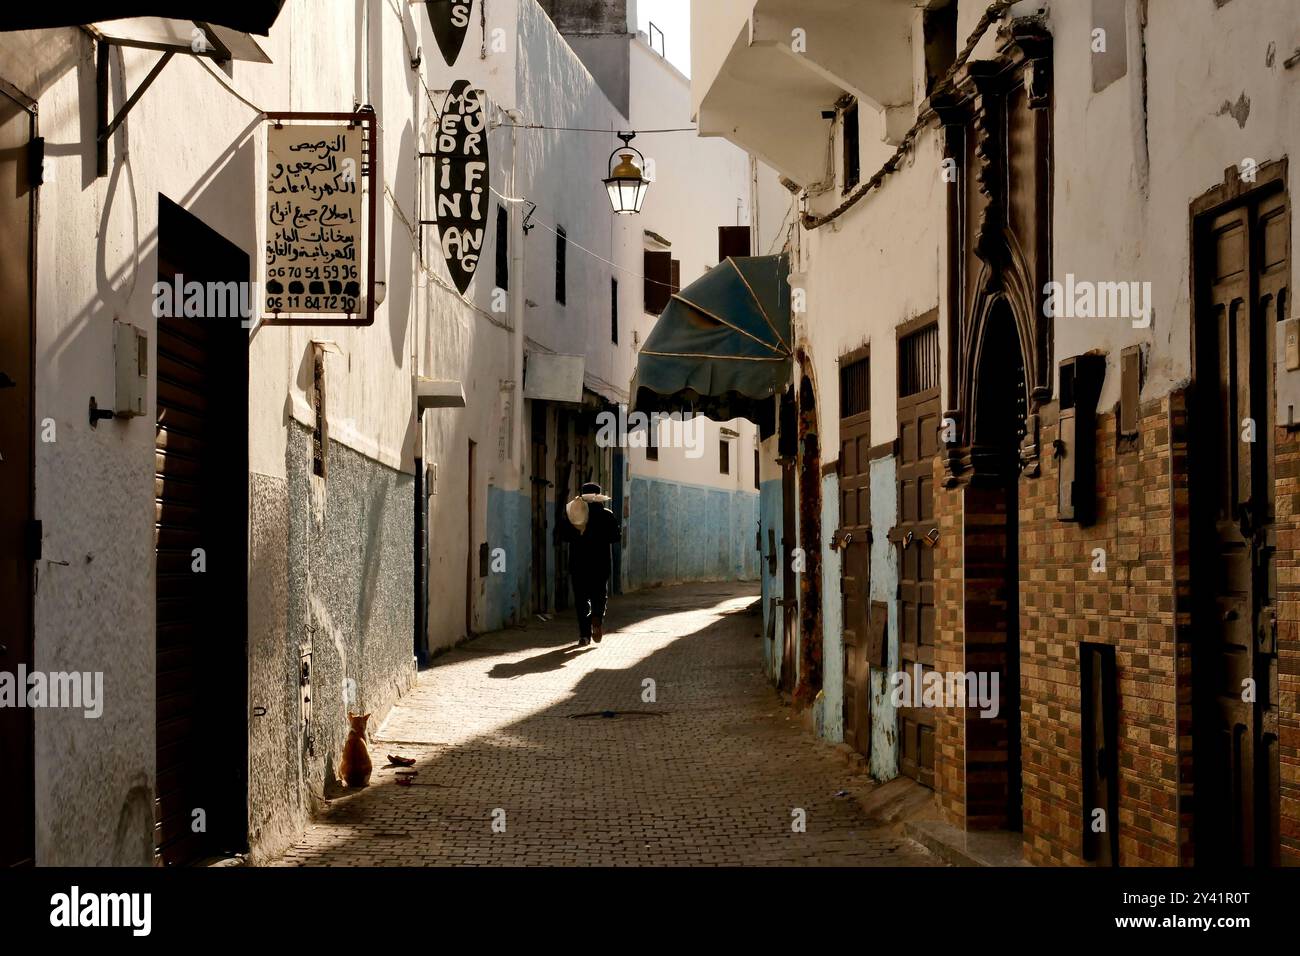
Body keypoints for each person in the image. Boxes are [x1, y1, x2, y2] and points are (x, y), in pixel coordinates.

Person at [558, 482, 621, 647]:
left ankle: (584, 636)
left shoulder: (574, 515)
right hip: (601, 563)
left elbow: (563, 536)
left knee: (581, 599)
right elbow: (616, 537)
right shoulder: (607, 515)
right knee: (599, 594)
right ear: (599, 496)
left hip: (578, 564)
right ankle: (597, 617)